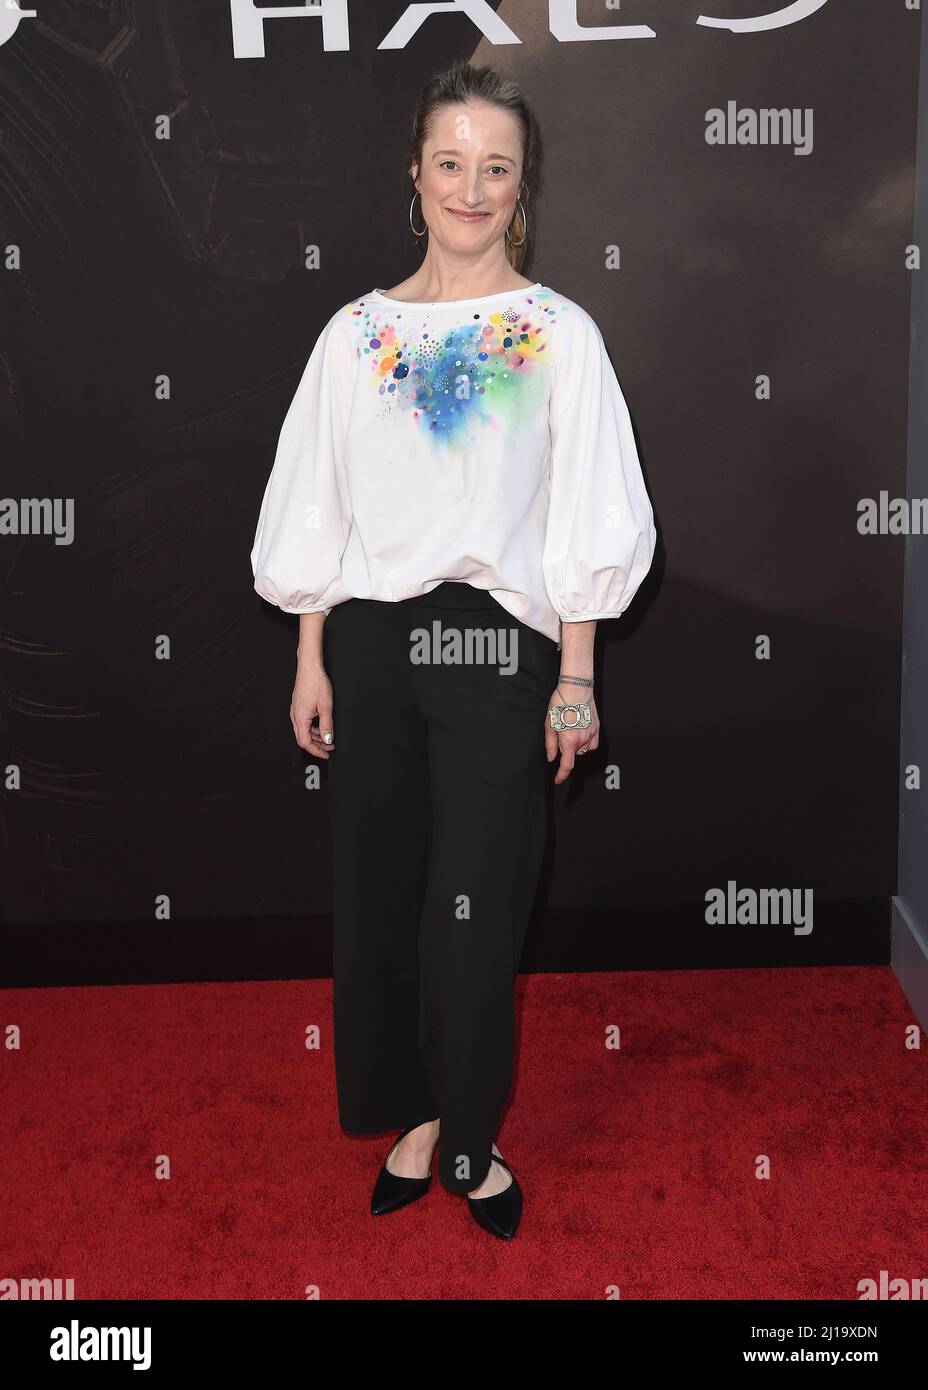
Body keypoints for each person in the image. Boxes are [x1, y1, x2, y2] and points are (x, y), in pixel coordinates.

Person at [250, 59, 657, 1240]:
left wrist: (575, 679)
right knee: (380, 895)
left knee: (472, 902)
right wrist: (307, 654)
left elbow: (588, 508)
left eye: (496, 168)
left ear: (522, 186)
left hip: (498, 655)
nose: (470, 189)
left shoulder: (557, 333)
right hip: (370, 644)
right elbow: (313, 503)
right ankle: (412, 1113)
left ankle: (473, 1133)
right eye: (450, 163)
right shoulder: (351, 334)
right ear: (413, 177)